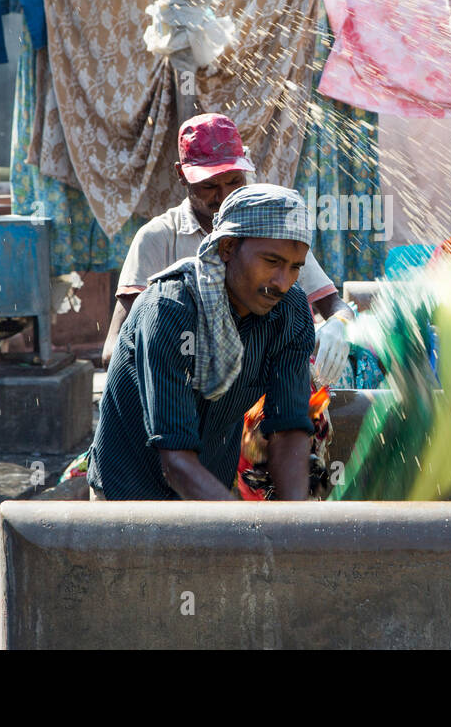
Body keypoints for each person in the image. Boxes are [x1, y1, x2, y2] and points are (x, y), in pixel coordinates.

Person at [88, 184, 316, 501]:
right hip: (129, 495)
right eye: (271, 261)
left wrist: (294, 525)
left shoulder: (290, 314)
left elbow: (289, 428)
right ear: (227, 248)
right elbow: (175, 460)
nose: (282, 282)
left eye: (295, 267)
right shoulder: (171, 310)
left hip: (211, 491)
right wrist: (246, 530)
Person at [103, 113, 353, 384]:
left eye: (234, 181)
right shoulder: (157, 238)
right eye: (209, 186)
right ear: (181, 176)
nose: (223, 197)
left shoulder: (271, 231)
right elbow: (114, 348)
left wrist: (337, 326)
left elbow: (336, 306)